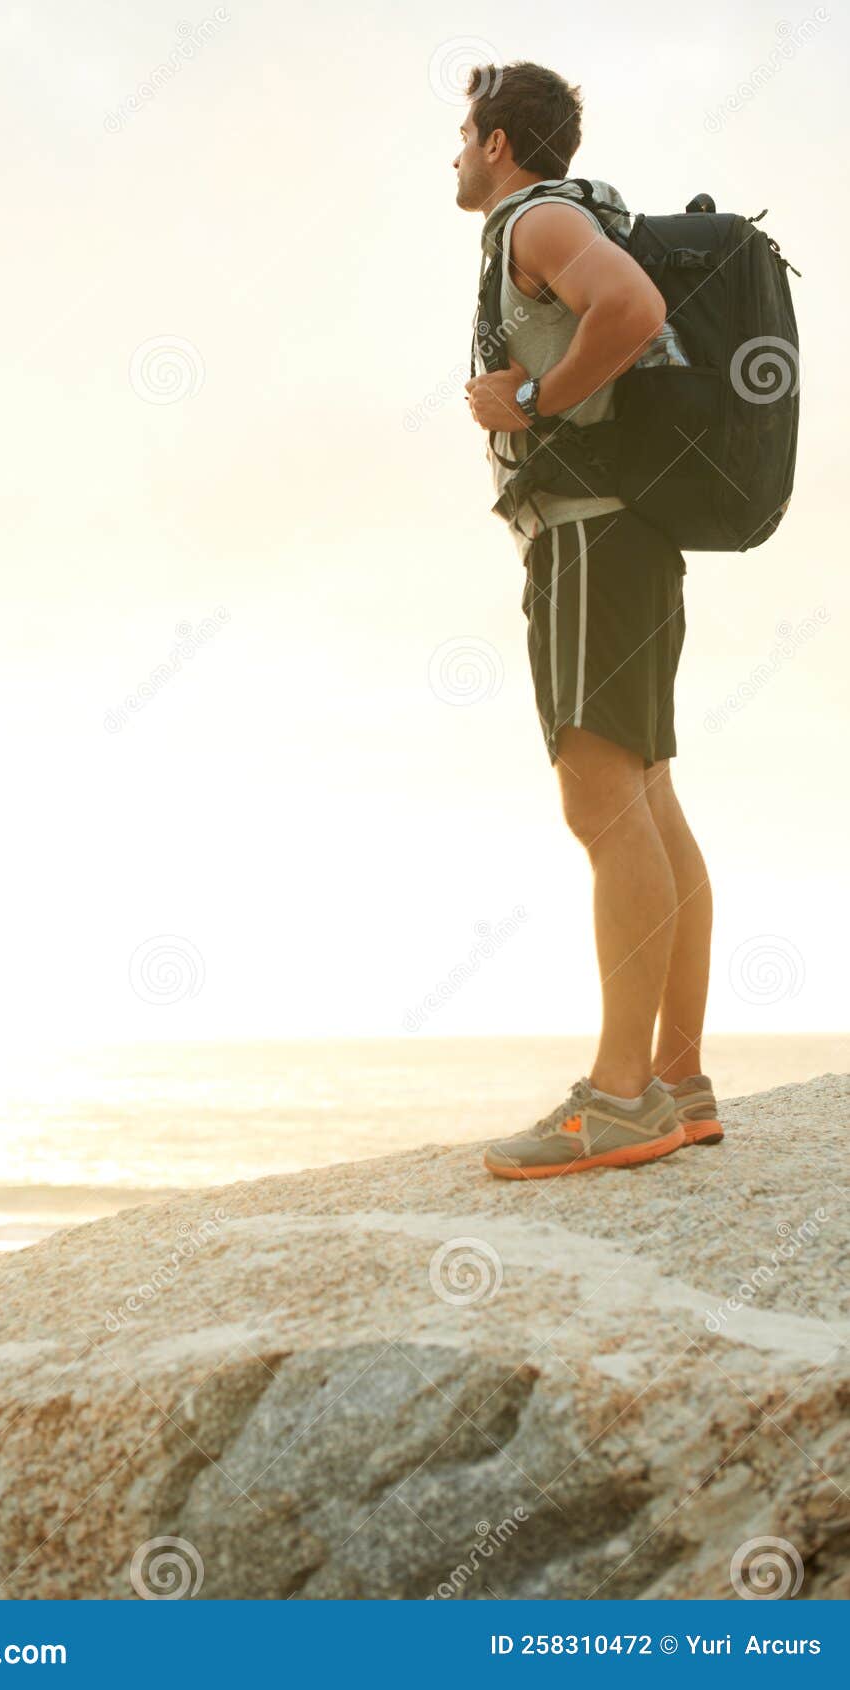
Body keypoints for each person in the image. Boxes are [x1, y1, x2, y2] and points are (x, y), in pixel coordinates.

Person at [454, 61, 723, 1179]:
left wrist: (530, 399)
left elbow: (632, 308)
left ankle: (619, 1098)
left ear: (499, 142)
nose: (456, 155)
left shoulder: (537, 219)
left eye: (464, 134)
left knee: (601, 802)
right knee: (647, 796)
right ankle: (677, 1079)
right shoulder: (567, 215)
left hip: (584, 538)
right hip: (629, 537)